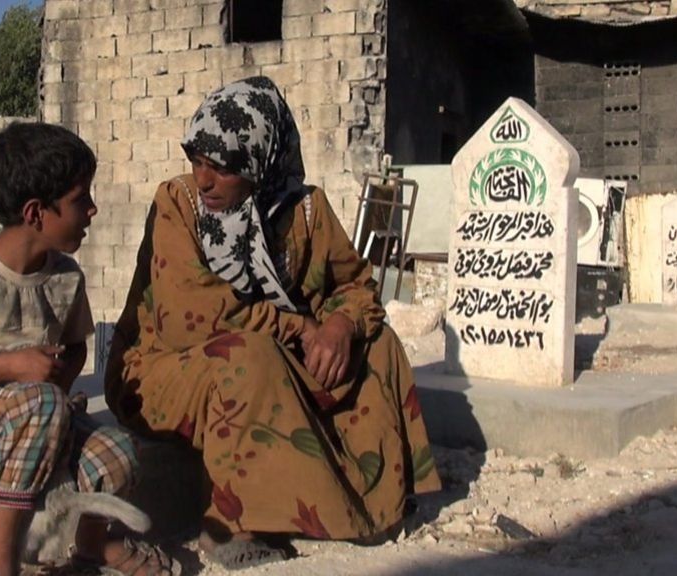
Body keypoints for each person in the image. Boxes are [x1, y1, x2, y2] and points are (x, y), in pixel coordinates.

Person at [105, 77, 442, 569]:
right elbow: (189, 318)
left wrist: (338, 327)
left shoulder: (306, 211)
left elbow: (356, 288)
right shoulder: (176, 205)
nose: (203, 180)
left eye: (222, 168)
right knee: (248, 355)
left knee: (379, 343)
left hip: (275, 360)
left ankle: (369, 502)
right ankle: (231, 526)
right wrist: (300, 329)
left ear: (261, 163)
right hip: (161, 371)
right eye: (197, 161)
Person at [0, 122, 178, 576]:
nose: (92, 210)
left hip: (40, 416)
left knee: (117, 450)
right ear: (35, 213)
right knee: (39, 404)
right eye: (79, 200)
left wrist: (58, 377)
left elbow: (74, 350)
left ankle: (89, 552)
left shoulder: (66, 277)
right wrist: (11, 366)